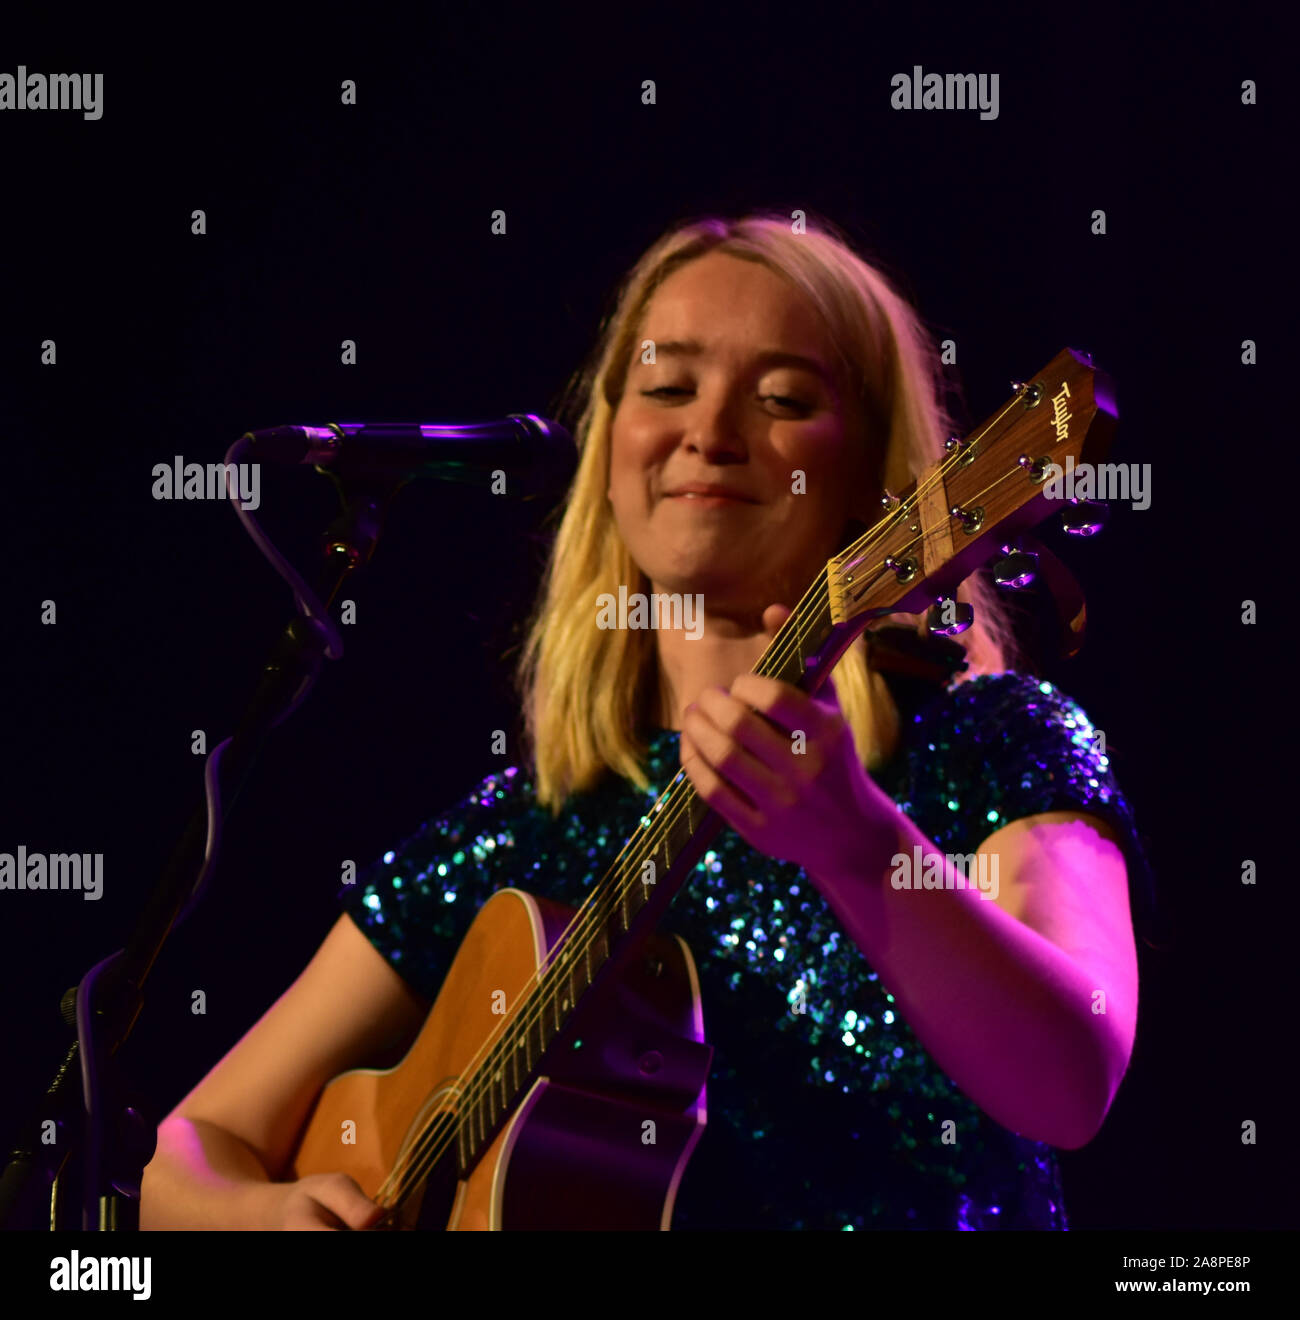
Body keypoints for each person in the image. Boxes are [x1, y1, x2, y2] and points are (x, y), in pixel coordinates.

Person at [139, 211, 1152, 1231]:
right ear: (609, 444)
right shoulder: (517, 831)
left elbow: (1072, 1082)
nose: (707, 433)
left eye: (783, 400)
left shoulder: (986, 739)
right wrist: (268, 1221)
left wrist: (856, 844)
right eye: (667, 386)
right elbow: (186, 1159)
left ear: (874, 476)